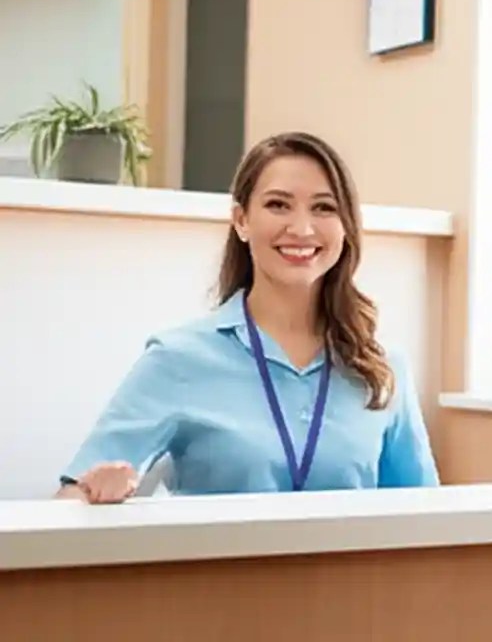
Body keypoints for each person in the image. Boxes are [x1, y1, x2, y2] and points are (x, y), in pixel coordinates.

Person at [58, 132, 440, 503]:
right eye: (278, 205)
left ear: (346, 227)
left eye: (324, 207)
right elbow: (70, 498)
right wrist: (95, 496)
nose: (302, 228)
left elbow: (423, 520)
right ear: (241, 220)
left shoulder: (384, 369)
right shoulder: (177, 358)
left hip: (355, 572)